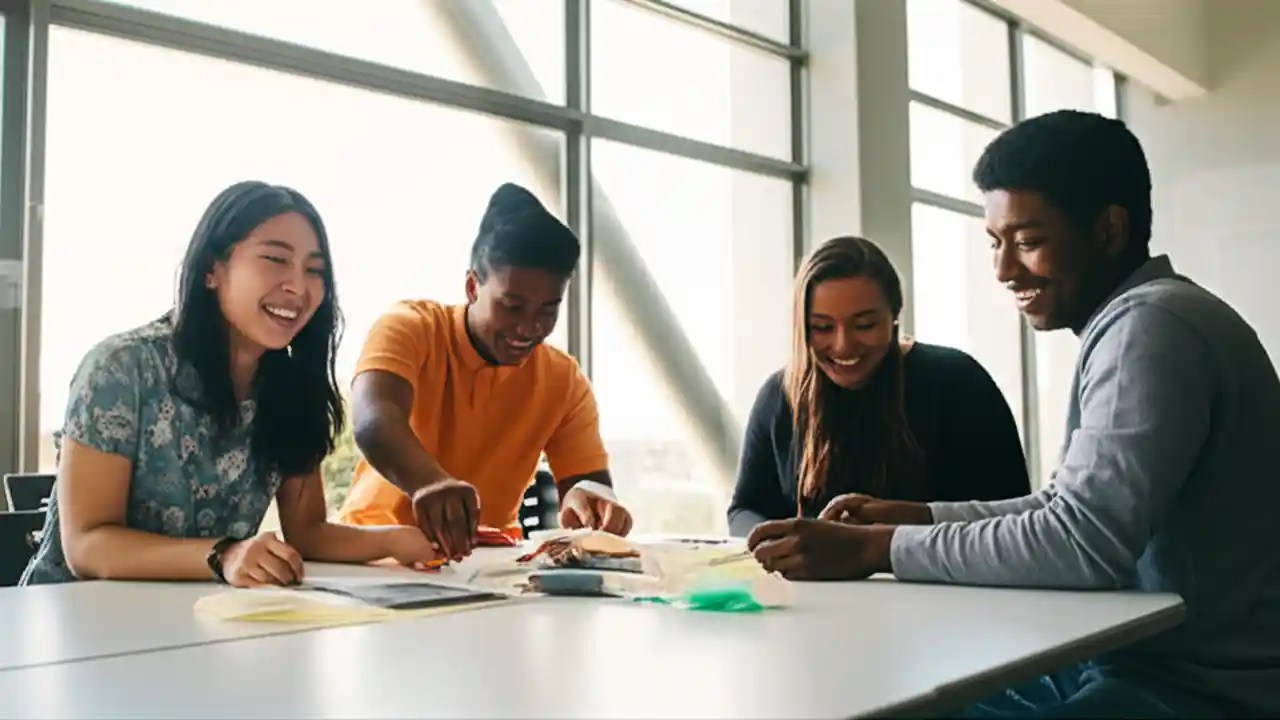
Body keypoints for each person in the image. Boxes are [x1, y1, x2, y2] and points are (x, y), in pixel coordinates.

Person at [747, 111, 1280, 717]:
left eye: (1027, 242)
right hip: (1138, 662)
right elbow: (1065, 507)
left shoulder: (1149, 330)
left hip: (1198, 691)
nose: (1003, 271)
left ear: (1108, 230)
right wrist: (916, 517)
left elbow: (1082, 542)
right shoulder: (1149, 320)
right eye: (996, 244)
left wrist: (876, 548)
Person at [21, 181, 436, 587]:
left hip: (200, 623)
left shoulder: (290, 386)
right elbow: (88, 546)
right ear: (210, 271)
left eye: (314, 270)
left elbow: (308, 532)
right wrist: (225, 554)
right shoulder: (120, 368)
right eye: (275, 259)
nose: (298, 285)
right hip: (70, 622)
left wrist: (399, 540)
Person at [338, 183, 632, 562]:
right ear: (473, 286)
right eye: (512, 306)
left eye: (547, 310)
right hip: (373, 556)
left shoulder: (564, 379)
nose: (529, 327)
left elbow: (587, 484)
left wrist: (595, 503)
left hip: (484, 565)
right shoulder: (410, 326)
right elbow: (374, 421)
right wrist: (431, 483)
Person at [728, 236, 1029, 537]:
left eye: (864, 325)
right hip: (812, 584)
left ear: (895, 316)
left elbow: (1013, 514)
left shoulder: (958, 383)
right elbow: (745, 508)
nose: (843, 346)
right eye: (821, 327)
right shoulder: (780, 395)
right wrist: (778, 538)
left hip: (940, 583)